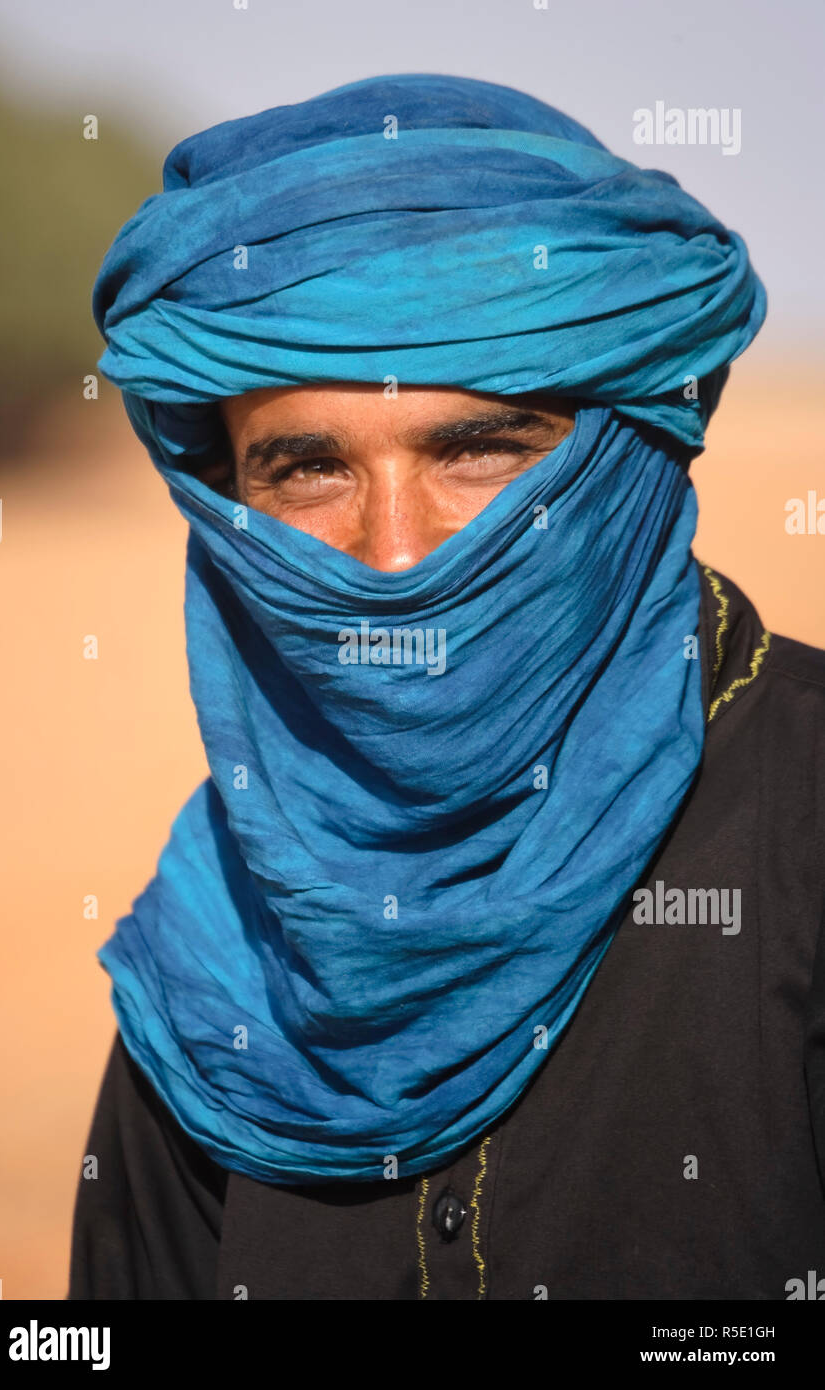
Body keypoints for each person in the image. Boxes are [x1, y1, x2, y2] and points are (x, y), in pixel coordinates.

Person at [67, 72, 825, 1301]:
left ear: (626, 450)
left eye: (478, 449)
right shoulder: (212, 967)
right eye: (307, 471)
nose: (399, 554)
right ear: (227, 505)